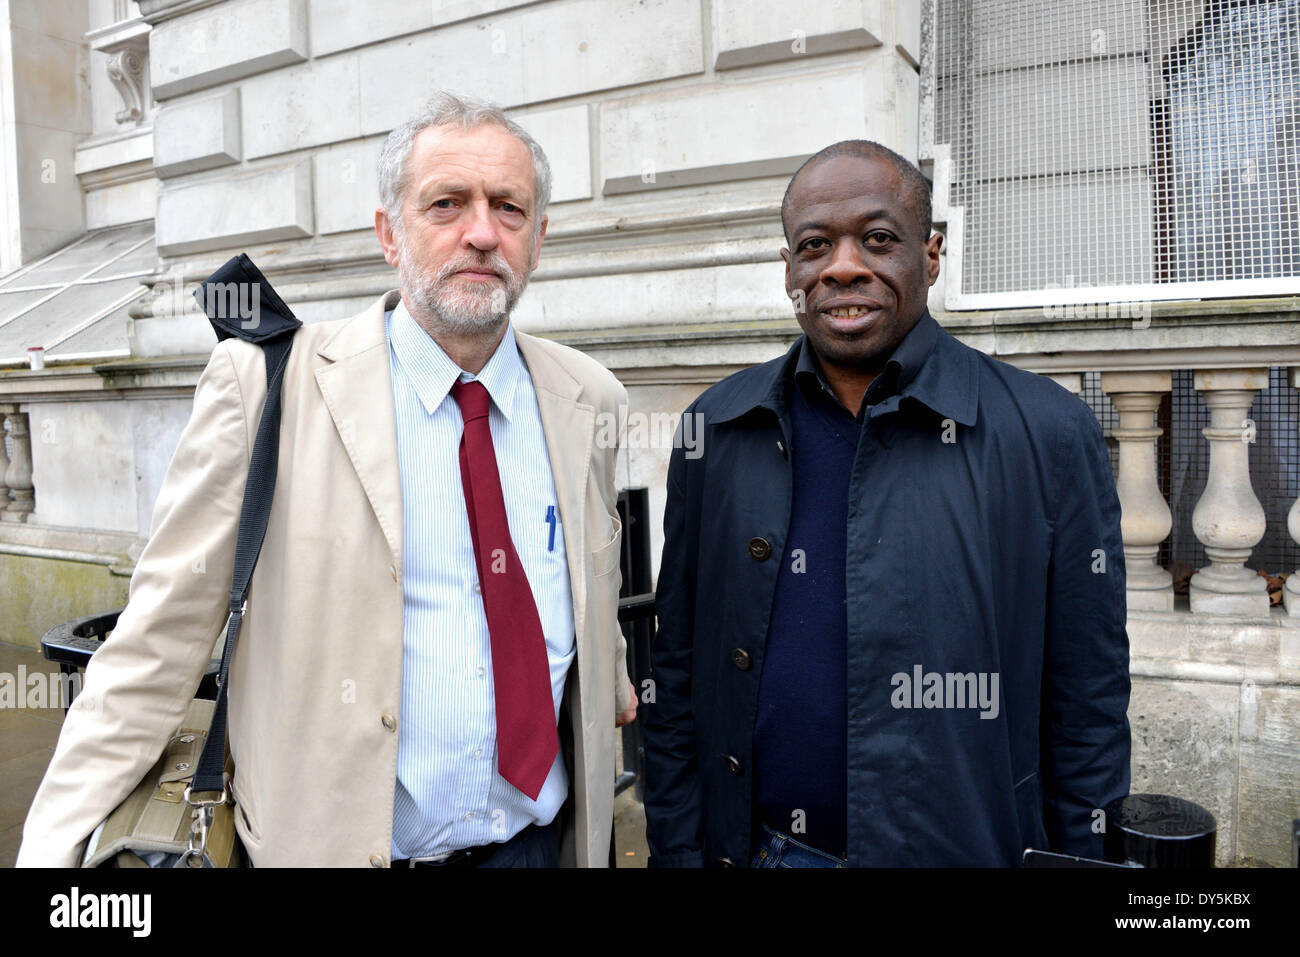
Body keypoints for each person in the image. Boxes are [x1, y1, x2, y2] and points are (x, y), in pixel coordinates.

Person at [18, 92, 636, 868]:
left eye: (508, 208)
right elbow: (154, 649)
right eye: (446, 203)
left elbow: (580, 572)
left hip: (540, 847)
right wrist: (51, 856)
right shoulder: (267, 388)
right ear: (389, 232)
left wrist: (606, 669)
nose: (482, 232)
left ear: (538, 239)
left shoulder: (588, 397)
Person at [642, 140, 1131, 868]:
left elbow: (1088, 699)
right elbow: (674, 670)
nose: (842, 265)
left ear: (930, 255)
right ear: (790, 272)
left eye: (877, 238)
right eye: (815, 245)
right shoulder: (715, 430)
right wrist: (677, 850)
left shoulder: (1047, 432)